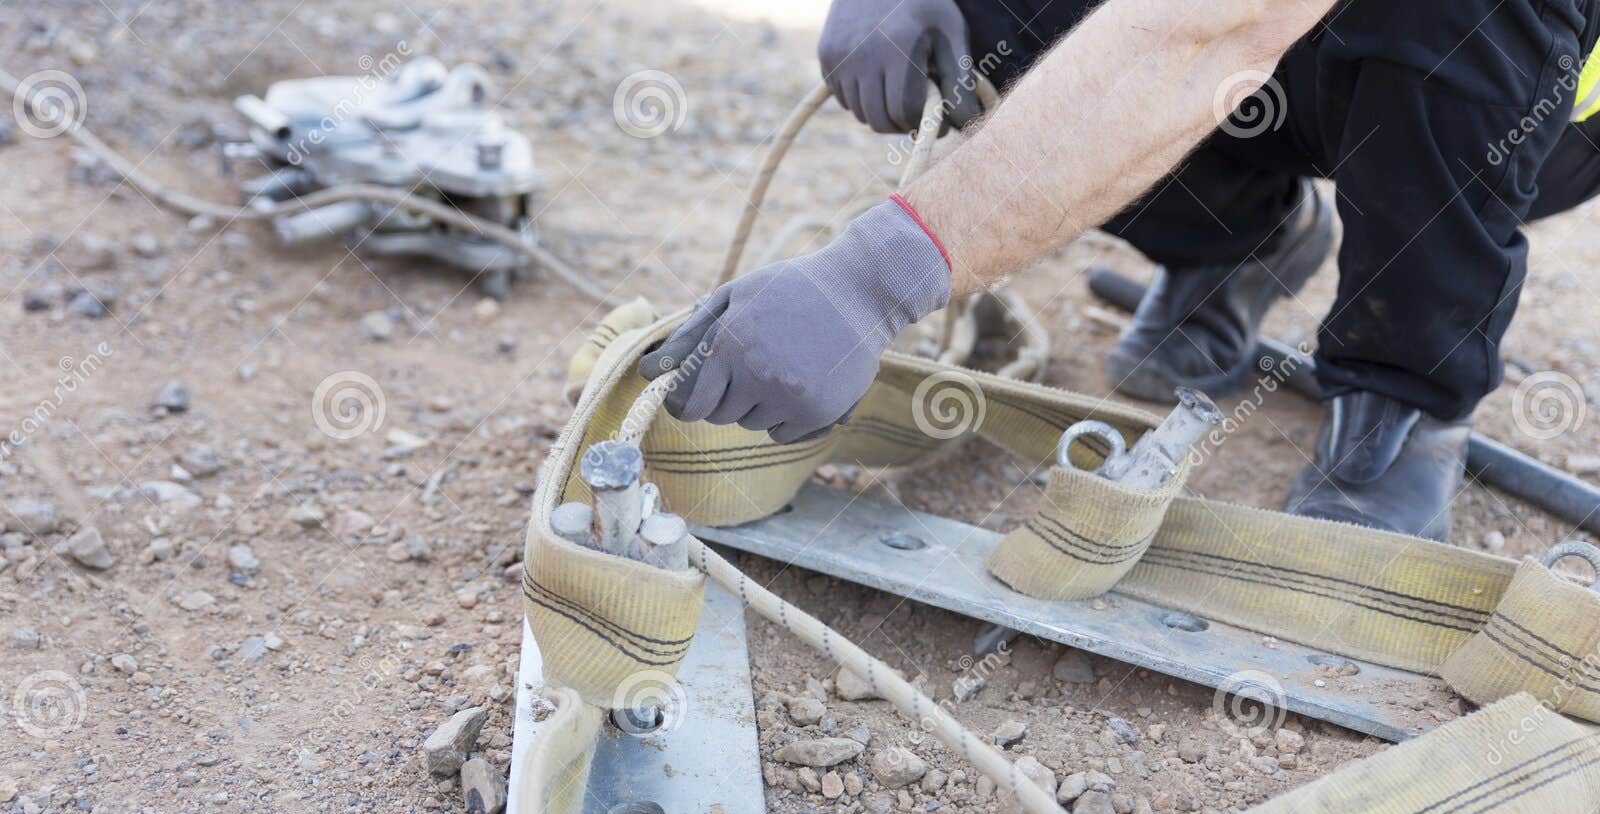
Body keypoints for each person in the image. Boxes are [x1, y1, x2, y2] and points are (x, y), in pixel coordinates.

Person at [643, 0, 1600, 541]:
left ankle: (1406, 383)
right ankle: (1239, 241)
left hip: (1534, 92)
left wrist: (875, 277)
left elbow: (1209, 35)